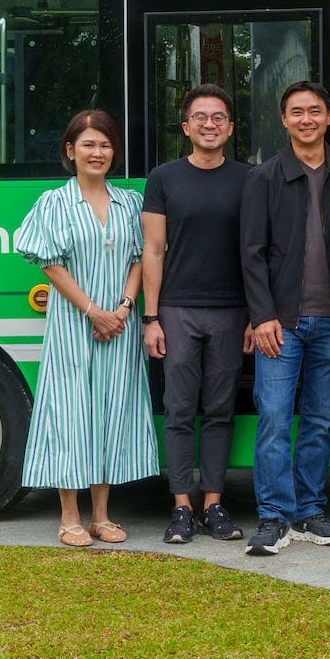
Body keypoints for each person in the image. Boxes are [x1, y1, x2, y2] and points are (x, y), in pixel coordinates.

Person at [13, 108, 158, 547]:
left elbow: (140, 257)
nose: (98, 152)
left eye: (106, 144)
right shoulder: (53, 202)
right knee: (71, 414)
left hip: (120, 323)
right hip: (74, 327)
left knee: (112, 410)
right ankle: (69, 516)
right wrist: (94, 311)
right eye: (89, 144)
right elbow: (50, 266)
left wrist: (124, 307)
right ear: (70, 151)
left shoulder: (131, 201)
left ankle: (102, 514)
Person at [238, 80, 330, 556]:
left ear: (329, 117)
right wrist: (262, 315)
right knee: (273, 420)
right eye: (297, 112)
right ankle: (273, 519)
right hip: (282, 324)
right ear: (284, 120)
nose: (307, 119)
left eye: (315, 110)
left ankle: (311, 512)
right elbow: (250, 253)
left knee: (318, 421)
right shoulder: (264, 177)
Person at [143, 83, 254, 546]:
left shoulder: (250, 178)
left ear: (230, 127)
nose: (210, 125)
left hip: (232, 311)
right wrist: (151, 318)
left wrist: (257, 314)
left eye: (219, 117)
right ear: (186, 127)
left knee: (220, 411)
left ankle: (214, 504)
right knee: (179, 410)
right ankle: (181, 508)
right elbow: (152, 249)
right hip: (177, 310)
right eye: (201, 118)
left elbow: (258, 252)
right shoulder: (164, 178)